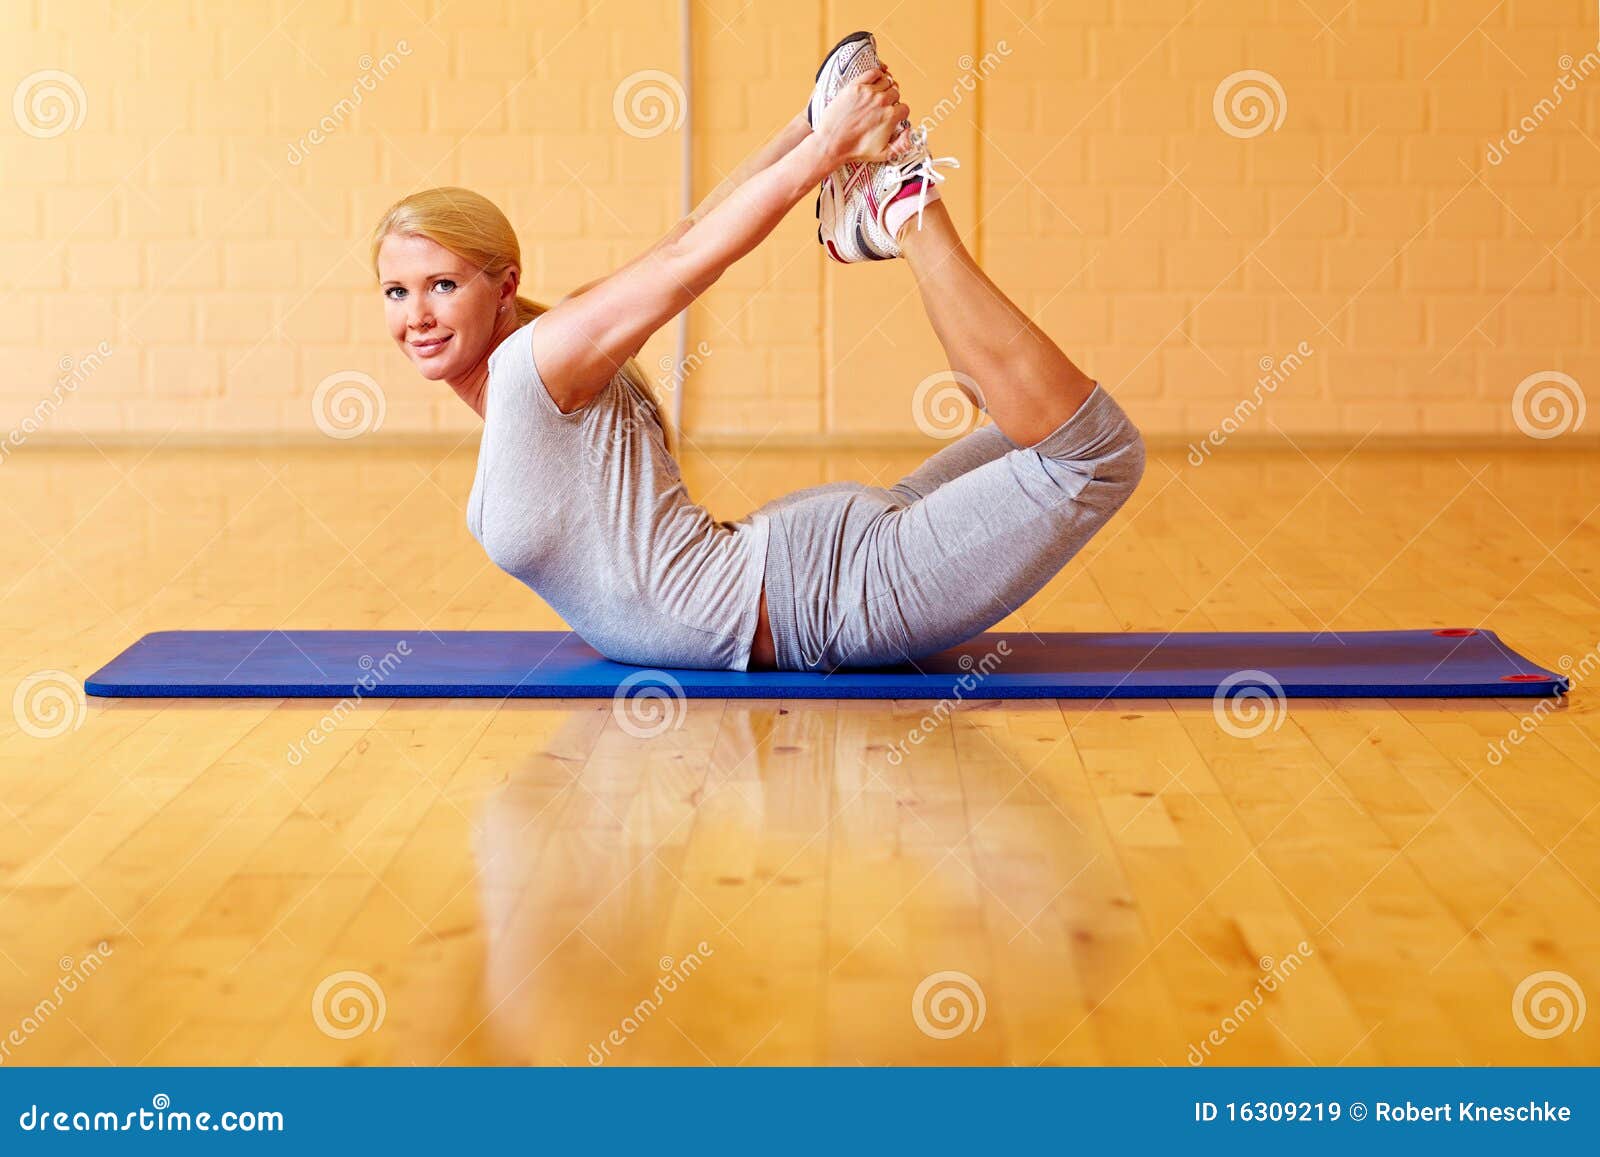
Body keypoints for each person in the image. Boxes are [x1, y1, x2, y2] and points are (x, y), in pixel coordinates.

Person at [370, 31, 1145, 674]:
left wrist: (828, 151)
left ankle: (904, 205)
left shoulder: (534, 362)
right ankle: (886, 199)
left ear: (502, 287)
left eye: (442, 284)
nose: (419, 315)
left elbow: (686, 264)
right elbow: (682, 236)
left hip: (823, 598)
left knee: (1094, 453)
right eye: (397, 292)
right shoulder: (549, 355)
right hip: (802, 568)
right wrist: (812, 128)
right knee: (1034, 430)